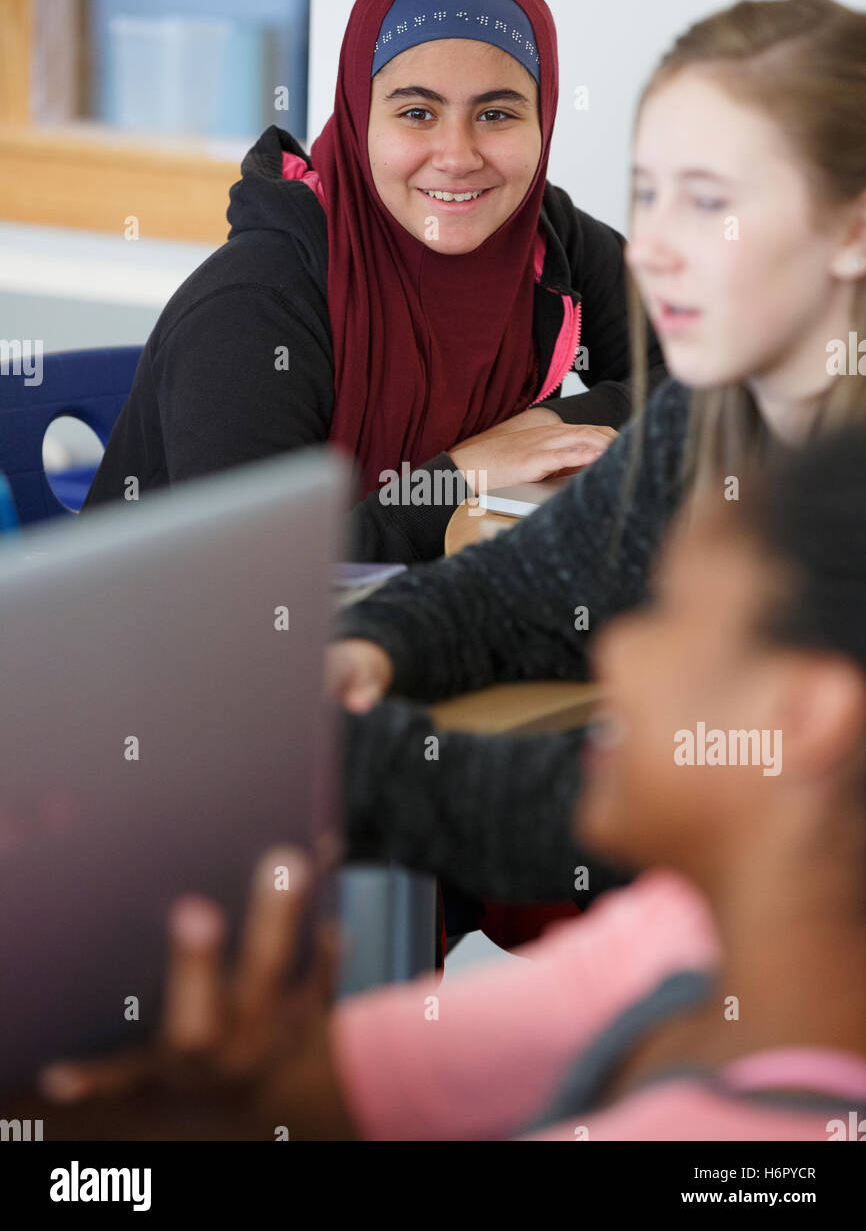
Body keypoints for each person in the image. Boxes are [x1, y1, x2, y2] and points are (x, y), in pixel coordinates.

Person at [32, 425, 866, 1139]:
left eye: (668, 617)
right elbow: (353, 1086)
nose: (614, 652)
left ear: (805, 713)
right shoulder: (685, 930)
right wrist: (230, 1079)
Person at [328, 0, 866, 912]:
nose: (649, 248)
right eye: (645, 193)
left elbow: (676, 807)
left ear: (852, 229)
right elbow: (528, 594)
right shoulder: (710, 412)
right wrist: (371, 647)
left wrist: (330, 762)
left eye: (707, 201)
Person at [82, 0, 664, 563]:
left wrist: (545, 429)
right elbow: (257, 573)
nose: (459, 156)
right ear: (361, 118)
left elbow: (709, 375)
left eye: (496, 114)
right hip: (171, 642)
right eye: (417, 112)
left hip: (409, 620)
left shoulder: (542, 236)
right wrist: (459, 477)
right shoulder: (254, 305)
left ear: (542, 121)